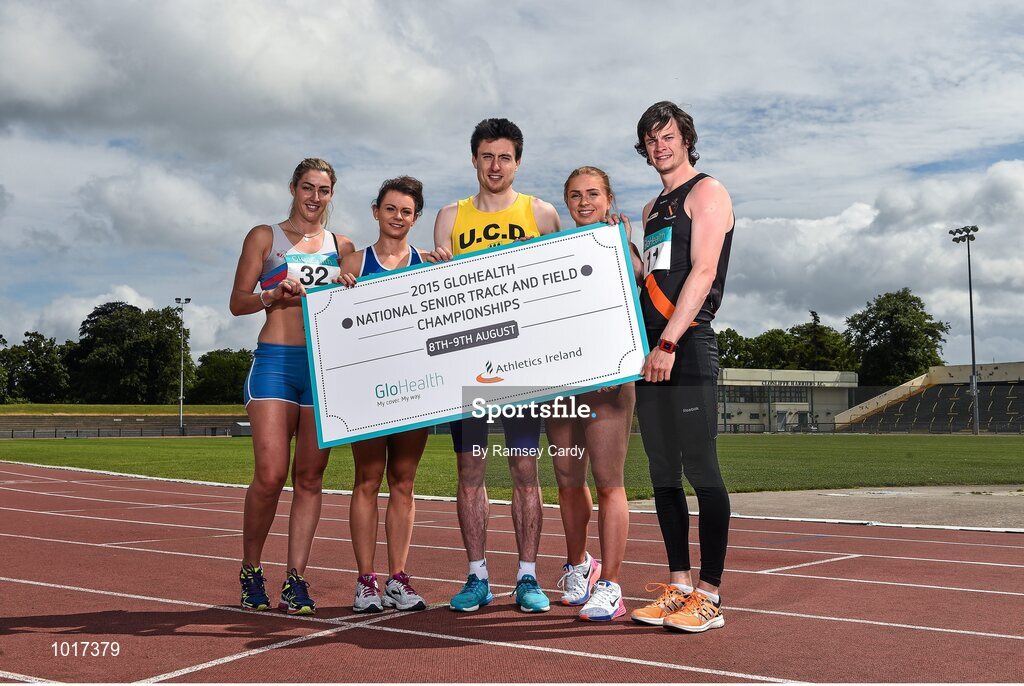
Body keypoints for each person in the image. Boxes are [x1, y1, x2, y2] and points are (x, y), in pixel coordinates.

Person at [431, 118, 561, 613]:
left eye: (504, 157)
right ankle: (478, 576)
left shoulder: (541, 213)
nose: (495, 165)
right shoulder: (450, 216)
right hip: (468, 363)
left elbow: (562, 284)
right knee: (470, 470)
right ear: (474, 160)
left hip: (523, 363)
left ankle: (528, 576)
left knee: (525, 468)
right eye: (487, 156)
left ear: (518, 162)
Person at [229, 158, 355, 615]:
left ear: (331, 195)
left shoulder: (343, 246)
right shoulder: (265, 237)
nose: (314, 197)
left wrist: (352, 287)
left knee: (310, 478)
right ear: (293, 188)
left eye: (323, 190)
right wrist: (271, 293)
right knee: (270, 474)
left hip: (321, 370)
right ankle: (251, 569)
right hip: (276, 364)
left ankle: (295, 578)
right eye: (307, 187)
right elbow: (237, 302)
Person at [628, 102, 735, 633]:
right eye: (651, 140)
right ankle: (680, 588)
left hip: (686, 347)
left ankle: (710, 595)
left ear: (686, 139)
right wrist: (619, 245)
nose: (660, 146)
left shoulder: (707, 192)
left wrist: (668, 343)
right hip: (651, 351)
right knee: (663, 474)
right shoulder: (652, 208)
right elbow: (649, 277)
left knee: (701, 470)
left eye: (667, 136)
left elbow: (704, 270)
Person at [549, 166, 641, 621]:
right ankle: (579, 565)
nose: (584, 202)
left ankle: (611, 586)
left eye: (592, 194)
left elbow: (639, 275)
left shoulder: (617, 238)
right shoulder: (552, 250)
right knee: (568, 480)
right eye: (575, 195)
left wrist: (622, 239)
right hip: (562, 380)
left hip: (609, 380)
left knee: (609, 482)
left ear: (608, 198)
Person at [336, 176, 430, 613]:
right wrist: (337, 290)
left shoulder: (428, 263)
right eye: (390, 208)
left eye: (406, 211)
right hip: (368, 391)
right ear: (376, 211)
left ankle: (398, 578)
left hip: (415, 388)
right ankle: (365, 581)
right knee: (368, 480)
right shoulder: (355, 262)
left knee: (404, 482)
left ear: (416, 218)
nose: (397, 217)